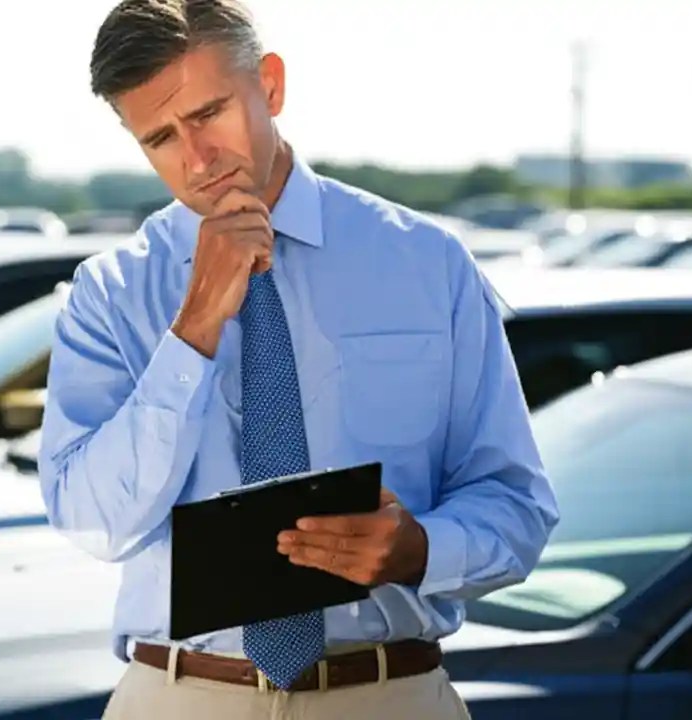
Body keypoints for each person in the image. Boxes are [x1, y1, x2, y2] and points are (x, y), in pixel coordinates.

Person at [37, 1, 558, 717]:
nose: (197, 158)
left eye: (209, 113)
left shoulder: (425, 264)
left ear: (271, 86)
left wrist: (421, 549)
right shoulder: (112, 294)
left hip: (387, 696)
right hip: (182, 697)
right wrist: (194, 326)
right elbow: (93, 522)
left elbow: (518, 505)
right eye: (160, 138)